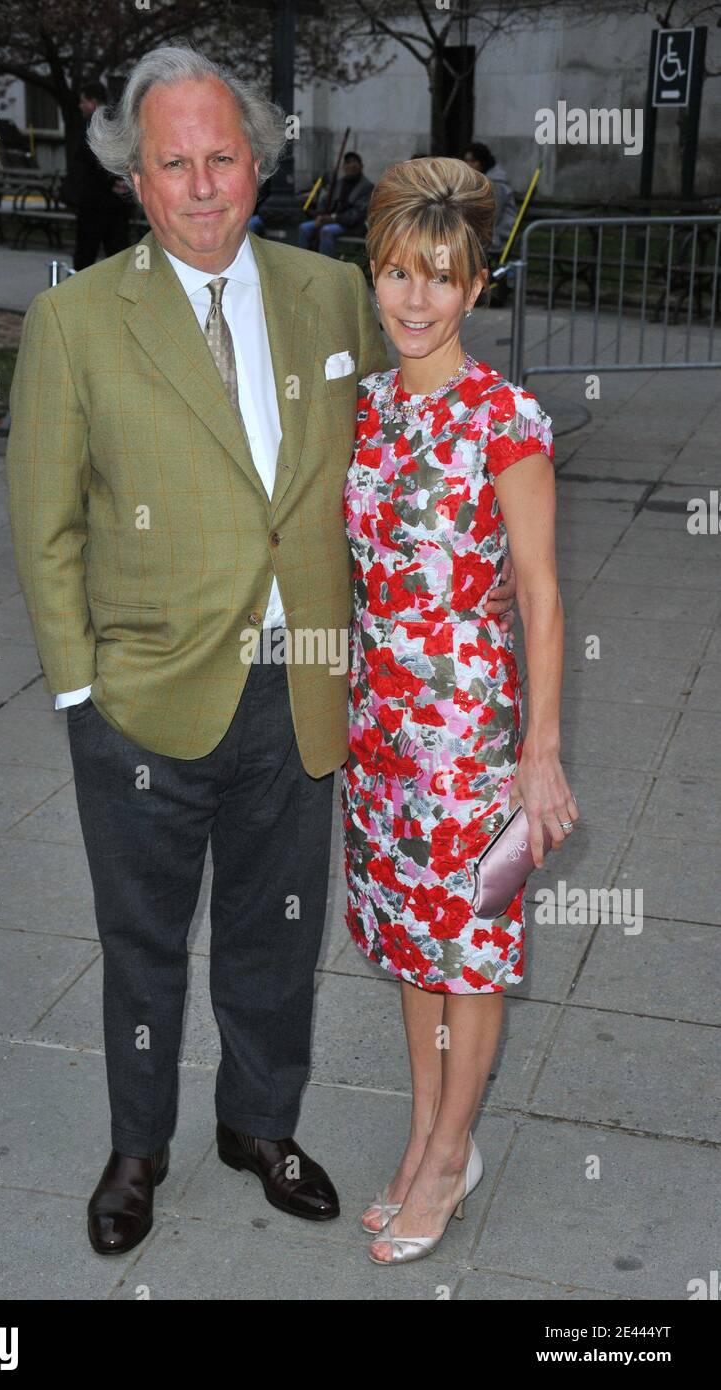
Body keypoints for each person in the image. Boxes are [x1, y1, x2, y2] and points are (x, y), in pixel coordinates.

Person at [5, 46, 517, 1258]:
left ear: (258, 161)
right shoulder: (73, 320)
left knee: (277, 931)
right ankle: (139, 1149)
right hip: (142, 698)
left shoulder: (328, 293)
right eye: (171, 162)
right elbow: (44, 525)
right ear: (134, 177)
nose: (199, 184)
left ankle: (261, 1125)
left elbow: (416, 439)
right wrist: (82, 689)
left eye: (221, 157)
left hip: (303, 688)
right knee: (141, 944)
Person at [342, 156, 578, 1265]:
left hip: (469, 748)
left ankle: (445, 1154)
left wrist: (538, 753)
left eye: (439, 277)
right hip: (379, 740)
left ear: (476, 288)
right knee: (412, 950)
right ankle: (429, 1136)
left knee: (467, 953)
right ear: (373, 274)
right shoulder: (370, 407)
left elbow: (538, 591)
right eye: (395, 272)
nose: (414, 298)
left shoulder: (506, 419)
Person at [62, 81, 134, 271]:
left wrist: (112, 182)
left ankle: (81, 292)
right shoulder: (118, 122)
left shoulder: (93, 126)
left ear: (93, 102)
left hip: (95, 200)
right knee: (117, 250)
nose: (80, 106)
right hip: (114, 200)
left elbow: (94, 159)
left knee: (87, 251)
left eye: (83, 101)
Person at [464, 143, 518, 305]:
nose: (468, 165)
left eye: (472, 161)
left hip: (498, 234)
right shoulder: (478, 181)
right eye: (466, 161)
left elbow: (494, 216)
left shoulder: (494, 184)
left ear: (482, 162)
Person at [298, 151, 373, 258]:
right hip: (331, 220)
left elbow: (357, 215)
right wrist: (320, 215)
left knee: (327, 231)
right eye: (347, 163)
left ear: (361, 166)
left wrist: (334, 218)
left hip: (353, 226)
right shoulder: (339, 183)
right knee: (304, 228)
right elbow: (325, 201)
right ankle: (303, 262)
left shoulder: (367, 187)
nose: (351, 166)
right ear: (343, 167)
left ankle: (326, 267)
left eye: (354, 163)